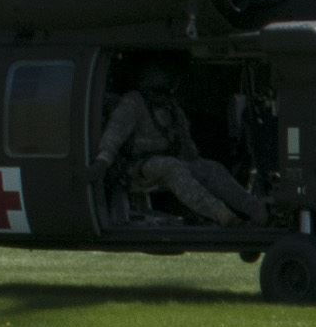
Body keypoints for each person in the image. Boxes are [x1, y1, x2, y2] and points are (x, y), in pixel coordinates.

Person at [101, 64, 261, 227]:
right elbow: (113, 136)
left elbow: (190, 152)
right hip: (135, 168)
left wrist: (185, 139)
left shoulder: (172, 110)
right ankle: (224, 216)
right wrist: (102, 162)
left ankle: (259, 212)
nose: (164, 96)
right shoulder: (133, 103)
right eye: (160, 90)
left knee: (212, 169)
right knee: (172, 166)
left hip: (167, 164)